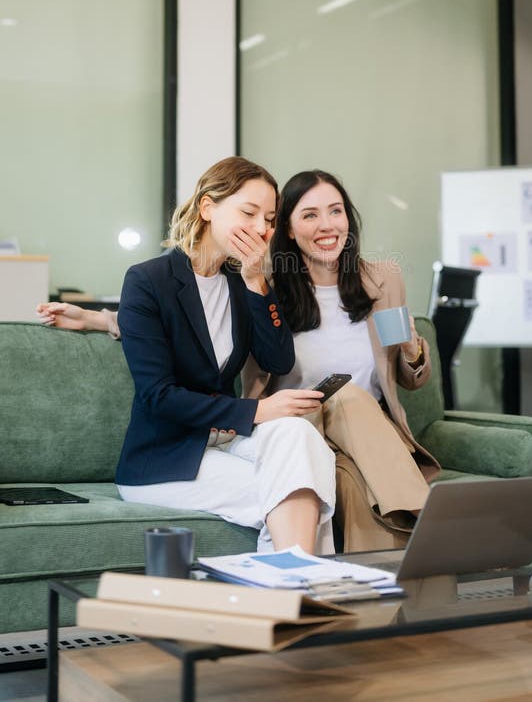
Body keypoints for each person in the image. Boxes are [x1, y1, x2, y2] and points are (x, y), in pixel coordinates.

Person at [39, 157, 336, 555]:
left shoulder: (244, 280)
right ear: (208, 208)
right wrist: (254, 412)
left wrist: (255, 281)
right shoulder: (149, 280)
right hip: (164, 457)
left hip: (223, 442)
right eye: (248, 213)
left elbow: (278, 361)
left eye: (268, 219)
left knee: (298, 434)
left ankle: (292, 583)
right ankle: (301, 590)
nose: (261, 229)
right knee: (296, 489)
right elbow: (158, 395)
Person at [242, 169, 440, 551]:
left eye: (336, 211)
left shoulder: (383, 281)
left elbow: (410, 376)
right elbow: (202, 319)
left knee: (351, 486)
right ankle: (433, 522)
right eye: (310, 215)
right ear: (288, 227)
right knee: (342, 393)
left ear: (348, 217)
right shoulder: (264, 286)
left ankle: (380, 602)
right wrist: (105, 319)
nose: (327, 225)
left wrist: (413, 350)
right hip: (301, 432)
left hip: (367, 438)